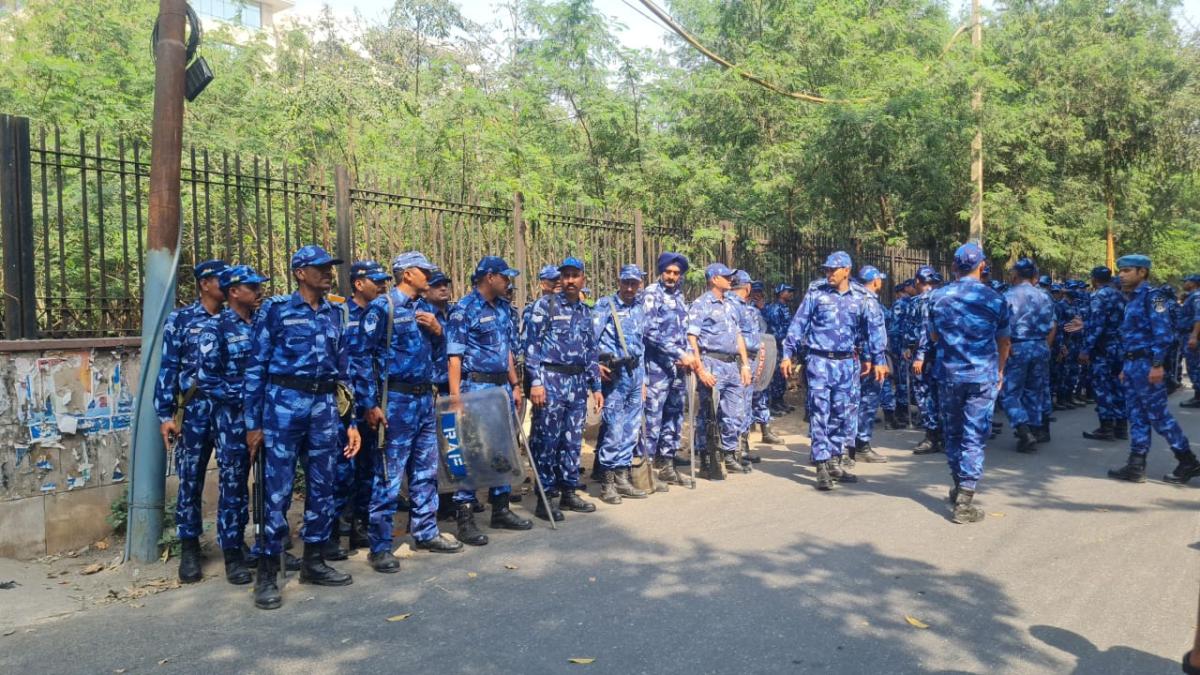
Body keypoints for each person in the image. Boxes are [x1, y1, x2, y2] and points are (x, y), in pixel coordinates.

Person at [244, 245, 362, 610]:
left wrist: (351, 420)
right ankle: (267, 571)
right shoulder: (276, 311)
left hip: (324, 407)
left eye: (330, 267)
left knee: (323, 485)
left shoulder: (335, 313)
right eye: (320, 268)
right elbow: (255, 368)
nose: (328, 273)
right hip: (283, 407)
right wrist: (253, 423)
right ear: (299, 272)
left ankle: (314, 560)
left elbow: (344, 372)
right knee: (276, 491)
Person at [361, 252, 463, 574]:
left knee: (425, 470)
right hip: (396, 402)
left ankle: (426, 531)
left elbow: (438, 356)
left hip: (423, 400)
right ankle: (379, 546)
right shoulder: (384, 307)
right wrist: (369, 403)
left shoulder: (426, 309)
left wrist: (438, 332)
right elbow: (361, 356)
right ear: (407, 275)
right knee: (390, 475)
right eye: (425, 272)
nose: (430, 277)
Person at [915, 243, 1010, 524]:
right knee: (974, 437)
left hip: (949, 374)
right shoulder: (995, 298)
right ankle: (965, 500)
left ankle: (959, 486)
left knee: (953, 433)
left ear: (954, 267)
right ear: (982, 265)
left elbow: (932, 337)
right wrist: (1001, 370)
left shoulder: (936, 298)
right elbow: (1004, 341)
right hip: (982, 376)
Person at [781, 252, 885, 490]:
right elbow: (798, 324)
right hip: (819, 361)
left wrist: (878, 359)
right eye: (826, 270)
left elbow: (874, 330)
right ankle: (821, 464)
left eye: (833, 270)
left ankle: (836, 459)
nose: (828, 273)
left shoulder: (862, 298)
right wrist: (788, 354)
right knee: (820, 412)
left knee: (842, 413)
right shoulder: (816, 294)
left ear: (846, 270)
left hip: (847, 364)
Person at [445, 256, 533, 532]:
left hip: (501, 388)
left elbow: (505, 349)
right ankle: (465, 516)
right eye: (504, 276)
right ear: (489, 277)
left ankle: (501, 508)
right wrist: (456, 399)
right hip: (475, 388)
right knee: (472, 451)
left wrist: (515, 385)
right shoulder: (465, 309)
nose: (508, 281)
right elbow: (454, 358)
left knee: (502, 448)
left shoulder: (503, 309)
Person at [193, 264, 268, 585]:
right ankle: (233, 552)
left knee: (267, 484)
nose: (260, 291)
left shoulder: (263, 324)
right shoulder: (216, 328)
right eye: (253, 287)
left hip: (266, 417)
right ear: (235, 291)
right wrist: (247, 396)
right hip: (232, 419)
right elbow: (207, 379)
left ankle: (264, 546)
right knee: (234, 484)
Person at [154, 258, 227, 584]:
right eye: (220, 279)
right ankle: (189, 547)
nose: (227, 284)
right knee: (190, 480)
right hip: (193, 413)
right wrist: (165, 415)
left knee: (234, 479)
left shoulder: (237, 318)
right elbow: (168, 367)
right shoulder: (180, 320)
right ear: (204, 284)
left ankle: (233, 544)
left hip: (229, 412)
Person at [1106, 254, 1200, 484]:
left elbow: (1163, 334)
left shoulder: (1154, 297)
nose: (1121, 274)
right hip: (1133, 365)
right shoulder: (1131, 298)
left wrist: (1157, 365)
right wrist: (1126, 366)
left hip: (1148, 364)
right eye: (1121, 271)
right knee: (1136, 415)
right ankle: (1136, 464)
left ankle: (1187, 460)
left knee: (1158, 416)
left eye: (1127, 270)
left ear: (1142, 272)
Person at [525, 257, 604, 520]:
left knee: (572, 439)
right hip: (551, 380)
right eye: (566, 276)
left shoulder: (585, 311)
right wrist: (535, 382)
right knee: (547, 439)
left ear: (583, 279)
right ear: (560, 279)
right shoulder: (545, 306)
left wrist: (596, 386)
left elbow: (591, 352)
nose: (570, 280)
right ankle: (545, 496)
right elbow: (532, 347)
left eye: (575, 275)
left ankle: (569, 490)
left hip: (578, 382)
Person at [335, 261, 392, 555]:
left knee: (370, 466)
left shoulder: (382, 313)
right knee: (342, 469)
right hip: (345, 405)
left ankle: (360, 527)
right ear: (359, 284)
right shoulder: (340, 313)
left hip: (373, 401)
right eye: (377, 281)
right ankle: (334, 530)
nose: (383, 286)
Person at [592, 264, 651, 504]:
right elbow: (590, 340)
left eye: (634, 283)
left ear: (640, 284)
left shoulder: (639, 307)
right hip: (615, 374)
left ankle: (622, 477)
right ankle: (607, 483)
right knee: (614, 428)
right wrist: (596, 366)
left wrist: (644, 378)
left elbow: (642, 345)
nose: (629, 288)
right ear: (619, 282)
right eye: (625, 283)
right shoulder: (605, 305)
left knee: (631, 428)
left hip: (635, 373)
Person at [640, 252, 700, 488]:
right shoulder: (651, 295)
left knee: (674, 417)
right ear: (661, 272)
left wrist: (689, 354)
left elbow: (683, 332)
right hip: (656, 368)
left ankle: (667, 463)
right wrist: (679, 354)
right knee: (653, 418)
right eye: (668, 272)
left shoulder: (680, 298)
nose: (672, 276)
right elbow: (649, 332)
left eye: (676, 273)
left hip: (678, 370)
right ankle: (645, 470)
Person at [689, 263, 753, 478]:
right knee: (709, 414)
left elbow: (738, 336)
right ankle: (707, 456)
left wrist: (744, 364)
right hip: (711, 362)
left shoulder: (730, 305)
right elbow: (692, 339)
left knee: (733, 412)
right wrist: (700, 369)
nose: (730, 280)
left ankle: (729, 454)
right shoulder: (701, 304)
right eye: (726, 276)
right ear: (714, 279)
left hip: (731, 364)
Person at [1000, 258, 1056, 454]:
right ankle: (1033, 429)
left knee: (1010, 392)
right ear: (1034, 276)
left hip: (1018, 347)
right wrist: (1044, 346)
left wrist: (1004, 350)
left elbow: (1002, 327)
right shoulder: (1045, 296)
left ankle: (1023, 431)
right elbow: (1051, 325)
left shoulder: (1007, 296)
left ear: (1015, 275)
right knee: (1034, 390)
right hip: (1040, 346)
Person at [1079, 266, 1128, 440]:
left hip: (1103, 349)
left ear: (1094, 279)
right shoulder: (1120, 295)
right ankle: (1121, 427)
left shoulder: (1099, 296)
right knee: (1118, 387)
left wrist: (1086, 349)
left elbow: (1097, 326)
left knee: (1102, 387)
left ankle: (1106, 427)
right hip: (1119, 348)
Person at [853, 265, 891, 463]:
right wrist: (873, 359)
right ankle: (862, 444)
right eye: (880, 279)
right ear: (875, 281)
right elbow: (868, 334)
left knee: (851, 402)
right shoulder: (868, 301)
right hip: (867, 360)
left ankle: (848, 446)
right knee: (867, 401)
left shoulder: (852, 297)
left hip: (855, 358)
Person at [729, 270, 764, 467]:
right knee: (737, 406)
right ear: (748, 287)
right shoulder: (734, 306)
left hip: (747, 359)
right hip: (737, 361)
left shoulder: (744, 306)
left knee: (745, 404)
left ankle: (742, 446)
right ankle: (734, 449)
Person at [907, 267, 944, 455]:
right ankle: (943, 435)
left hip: (926, 356)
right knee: (939, 396)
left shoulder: (923, 301)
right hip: (942, 355)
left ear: (918, 281)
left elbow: (924, 330)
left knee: (924, 394)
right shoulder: (943, 297)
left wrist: (919, 356)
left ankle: (932, 437)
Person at [750, 281, 784, 444]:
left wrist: (763, 308)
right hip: (745, 356)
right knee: (746, 395)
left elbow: (773, 328)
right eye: (754, 292)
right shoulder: (740, 308)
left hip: (762, 352)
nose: (757, 295)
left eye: (759, 292)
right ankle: (745, 437)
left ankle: (765, 429)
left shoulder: (766, 309)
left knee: (761, 391)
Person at [763, 284, 795, 416]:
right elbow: (775, 331)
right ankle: (773, 404)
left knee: (782, 376)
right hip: (776, 346)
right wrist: (785, 339)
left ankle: (780, 400)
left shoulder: (785, 307)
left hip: (783, 347)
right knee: (775, 376)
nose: (791, 294)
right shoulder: (775, 308)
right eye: (788, 291)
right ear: (780, 293)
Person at [1178, 274, 1200, 408]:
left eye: (1186, 280)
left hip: (1192, 335)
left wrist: (1193, 336)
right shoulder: (1193, 296)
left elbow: (1199, 317)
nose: (1184, 283)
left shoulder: (1197, 296)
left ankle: (1198, 397)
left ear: (1193, 283)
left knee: (1194, 367)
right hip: (1189, 334)